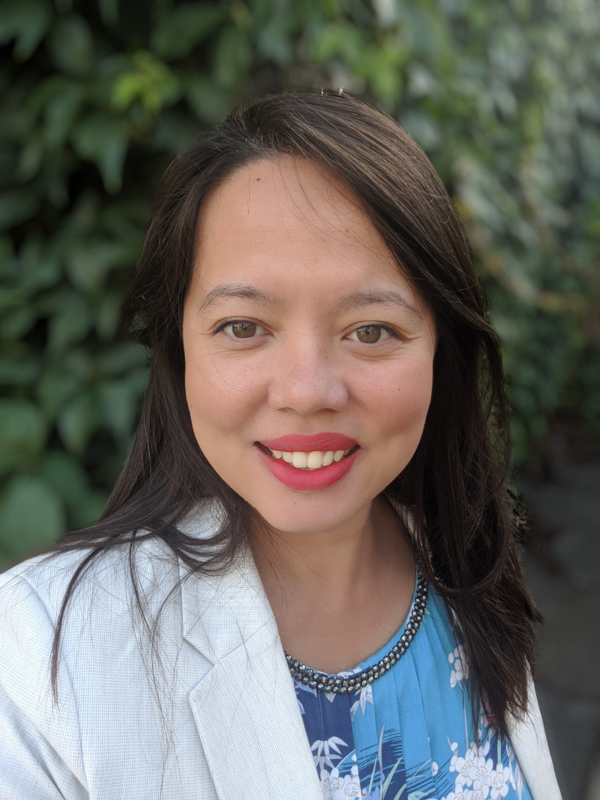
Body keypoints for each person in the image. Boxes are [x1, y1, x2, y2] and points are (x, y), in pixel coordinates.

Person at [0, 91, 561, 800]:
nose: (306, 391)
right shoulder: (39, 657)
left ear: (438, 354)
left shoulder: (467, 559)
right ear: (180, 348)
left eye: (370, 331)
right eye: (243, 327)